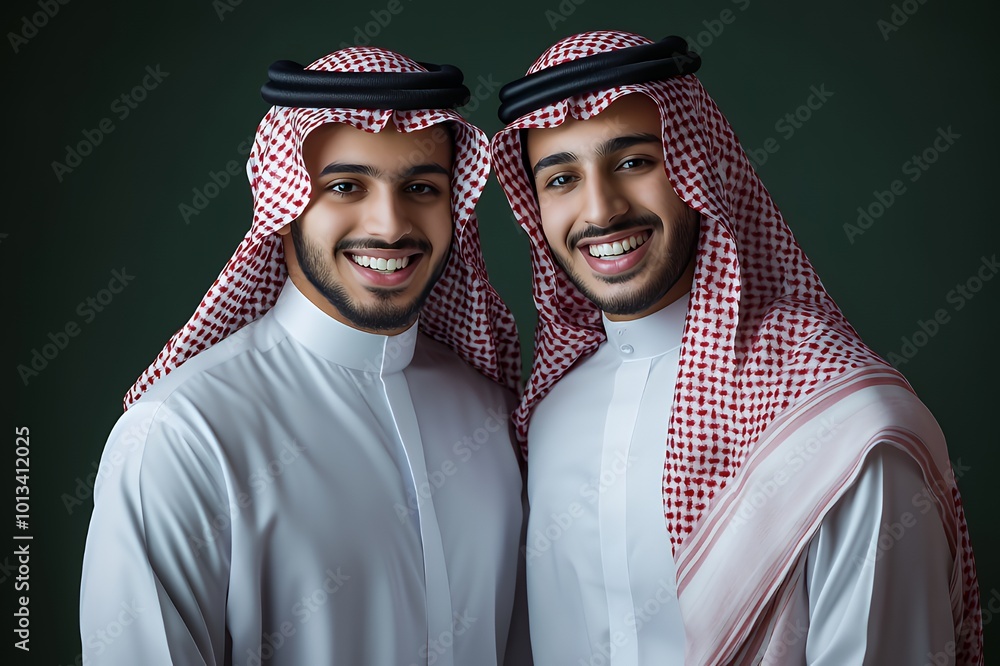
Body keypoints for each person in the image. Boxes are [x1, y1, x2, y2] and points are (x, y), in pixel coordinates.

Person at [490, 31, 982, 665]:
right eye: (560, 178)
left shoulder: (844, 427)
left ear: (698, 167)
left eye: (635, 161)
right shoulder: (548, 415)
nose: (600, 209)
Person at [80, 46, 528, 666]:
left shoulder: (494, 412)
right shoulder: (182, 437)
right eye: (346, 186)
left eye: (422, 188)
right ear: (285, 204)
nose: (390, 224)